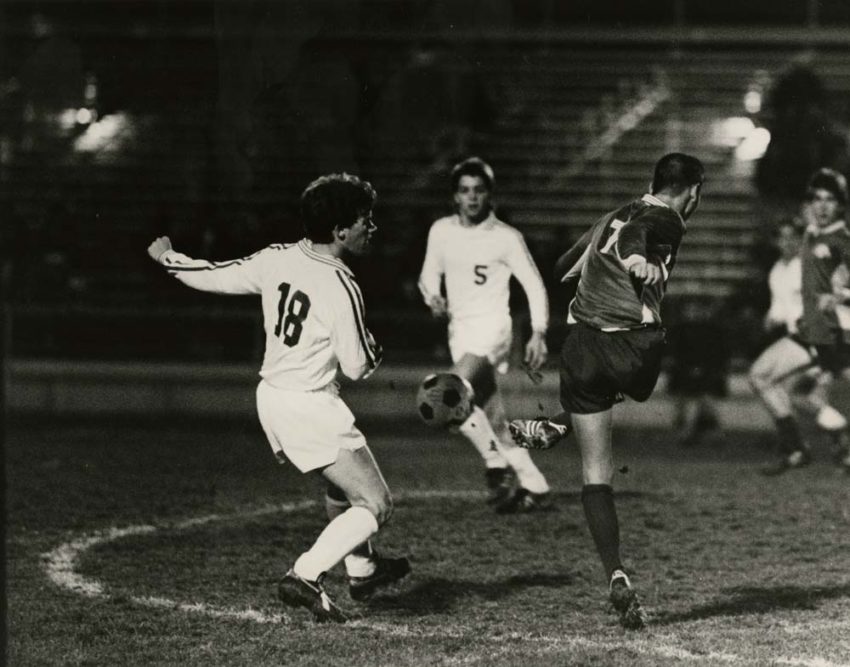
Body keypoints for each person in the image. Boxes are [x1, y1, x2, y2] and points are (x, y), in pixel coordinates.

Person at [147, 173, 410, 623]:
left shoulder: (277, 257)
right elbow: (357, 366)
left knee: (339, 486)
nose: (373, 228)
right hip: (309, 404)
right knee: (376, 503)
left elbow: (214, 276)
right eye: (366, 220)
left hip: (272, 396)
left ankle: (363, 570)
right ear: (340, 231)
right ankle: (305, 574)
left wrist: (168, 257)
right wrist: (375, 347)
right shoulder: (340, 283)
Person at [508, 153, 706, 629]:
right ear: (693, 191)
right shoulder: (670, 217)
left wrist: (598, 264)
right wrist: (637, 258)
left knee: (596, 474)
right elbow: (642, 234)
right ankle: (559, 420)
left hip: (579, 345)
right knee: (650, 364)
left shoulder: (611, 214)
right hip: (630, 349)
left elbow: (561, 267)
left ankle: (616, 573)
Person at [418, 157, 553, 513]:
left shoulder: (506, 238)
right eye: (465, 191)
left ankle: (497, 466)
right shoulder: (441, 231)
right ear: (455, 197)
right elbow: (428, 274)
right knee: (489, 415)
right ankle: (535, 486)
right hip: (459, 331)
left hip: (493, 330)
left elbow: (535, 286)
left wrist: (538, 332)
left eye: (479, 190)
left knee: (446, 396)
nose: (472, 198)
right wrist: (432, 296)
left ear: (489, 195)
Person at [758, 168, 850, 475]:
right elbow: (783, 309)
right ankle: (828, 443)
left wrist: (840, 294)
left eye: (829, 200)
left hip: (828, 333)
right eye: (816, 200)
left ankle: (803, 447)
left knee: (773, 383)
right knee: (794, 394)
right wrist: (771, 318)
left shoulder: (828, 247)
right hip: (809, 334)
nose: (786, 242)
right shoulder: (785, 263)